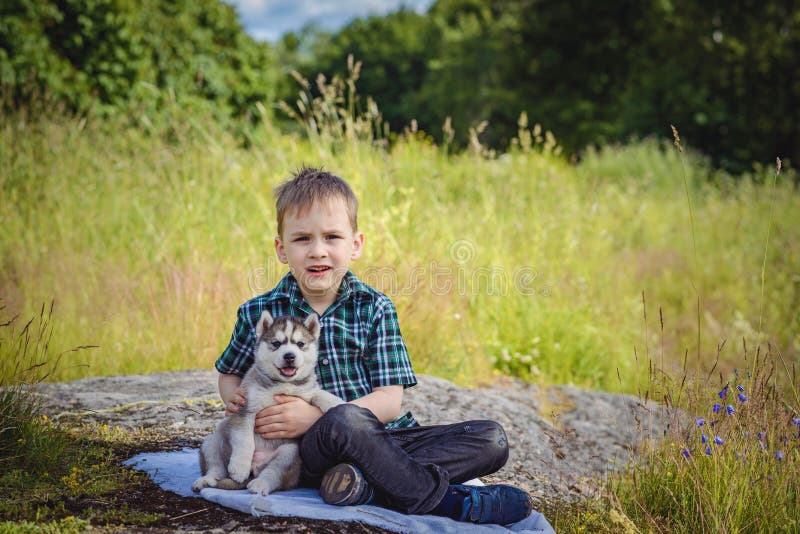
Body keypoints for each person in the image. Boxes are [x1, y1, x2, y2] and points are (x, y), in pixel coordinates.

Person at [214, 166, 531, 525]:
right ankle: (447, 503)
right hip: (305, 452)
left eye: (332, 237)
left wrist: (319, 414)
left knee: (490, 439)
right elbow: (229, 374)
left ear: (356, 244)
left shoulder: (375, 308)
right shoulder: (259, 311)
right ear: (281, 248)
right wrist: (235, 397)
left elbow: (389, 401)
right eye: (302, 239)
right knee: (345, 420)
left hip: (385, 439)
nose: (318, 251)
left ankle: (364, 485)